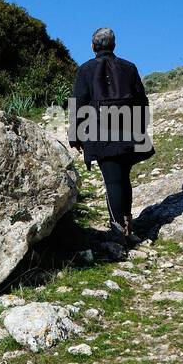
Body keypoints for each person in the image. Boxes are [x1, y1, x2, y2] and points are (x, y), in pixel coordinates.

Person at [68, 27, 154, 237]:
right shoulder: (129, 68)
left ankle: (118, 230)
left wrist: (75, 136)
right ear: (114, 46)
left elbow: (77, 104)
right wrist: (140, 129)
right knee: (124, 177)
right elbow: (142, 102)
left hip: (100, 133)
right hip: (128, 130)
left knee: (113, 180)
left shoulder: (85, 70)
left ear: (92, 47)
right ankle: (127, 223)